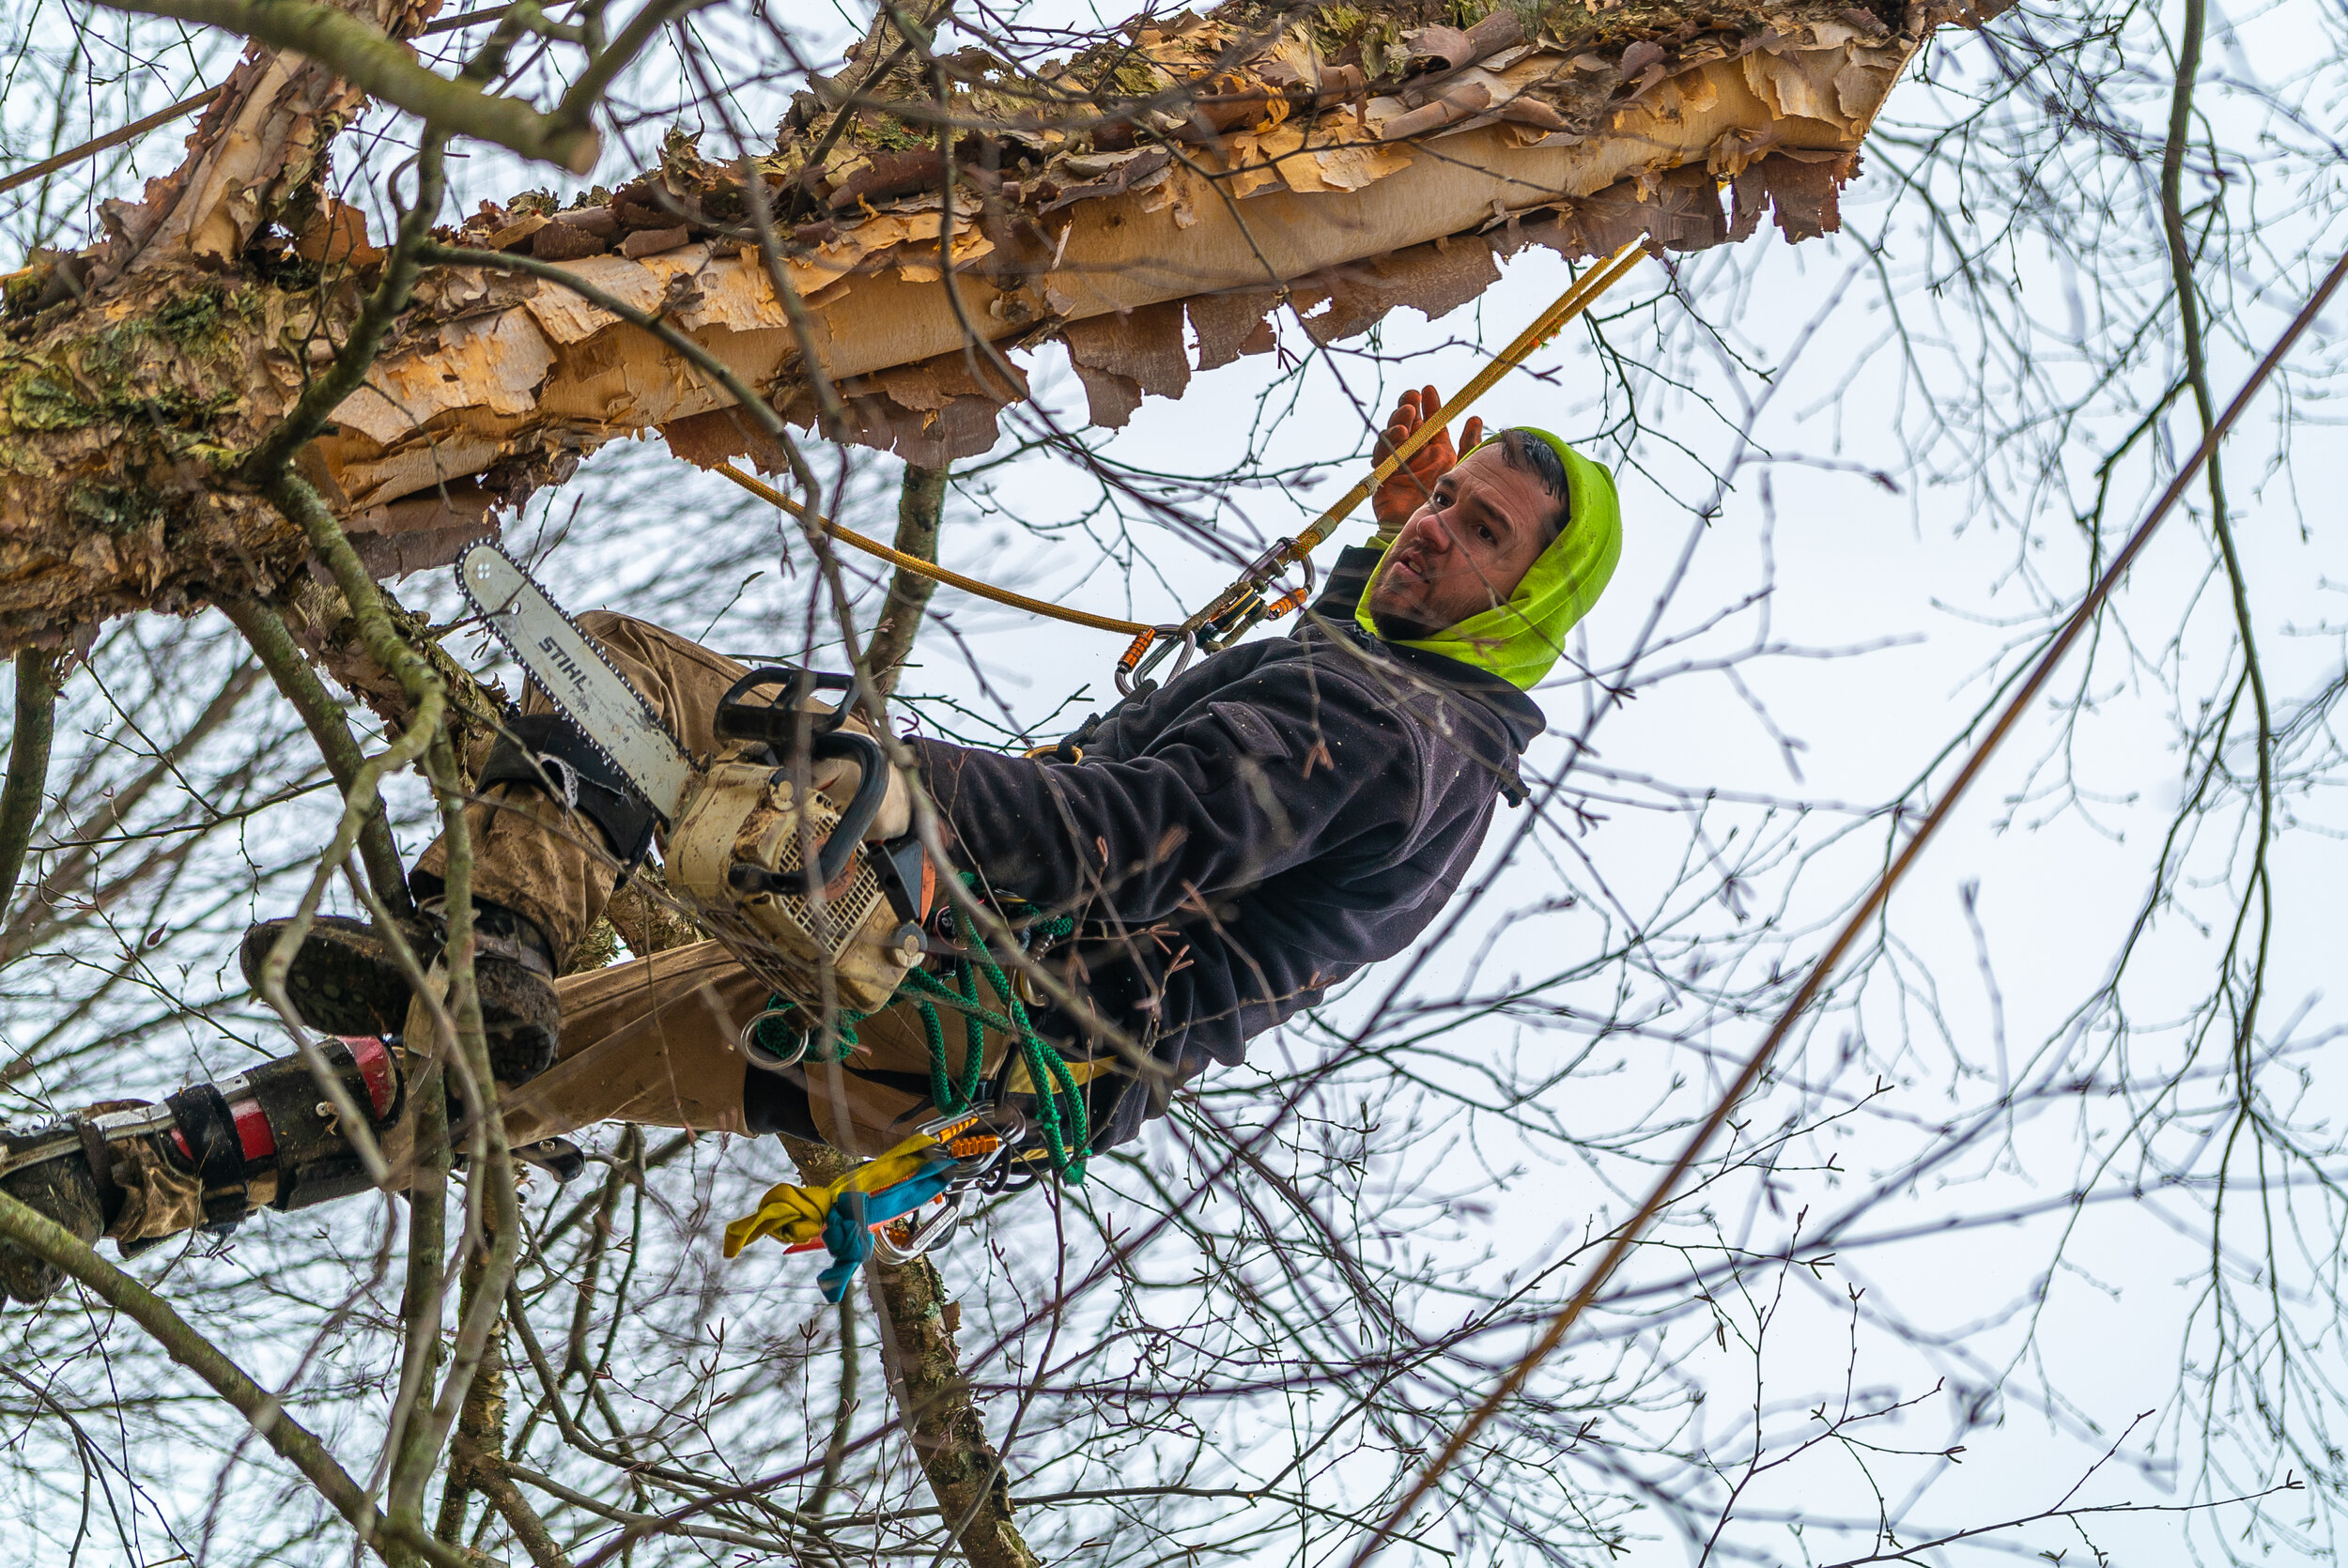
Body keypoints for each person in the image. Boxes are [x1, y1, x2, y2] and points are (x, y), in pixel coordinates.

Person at [0, 393, 1621, 1304]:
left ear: (1531, 599)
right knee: (505, 1080)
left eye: (1480, 530)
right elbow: (1248, 780)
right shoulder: (1416, 723)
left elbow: (1133, 834)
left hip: (989, 972)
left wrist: (893, 785)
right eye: (1441, 499)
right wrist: (1373, 548)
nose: (1433, 527)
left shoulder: (1380, 723)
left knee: (639, 671)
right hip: (963, 1064)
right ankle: (128, 1177)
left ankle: (491, 936)